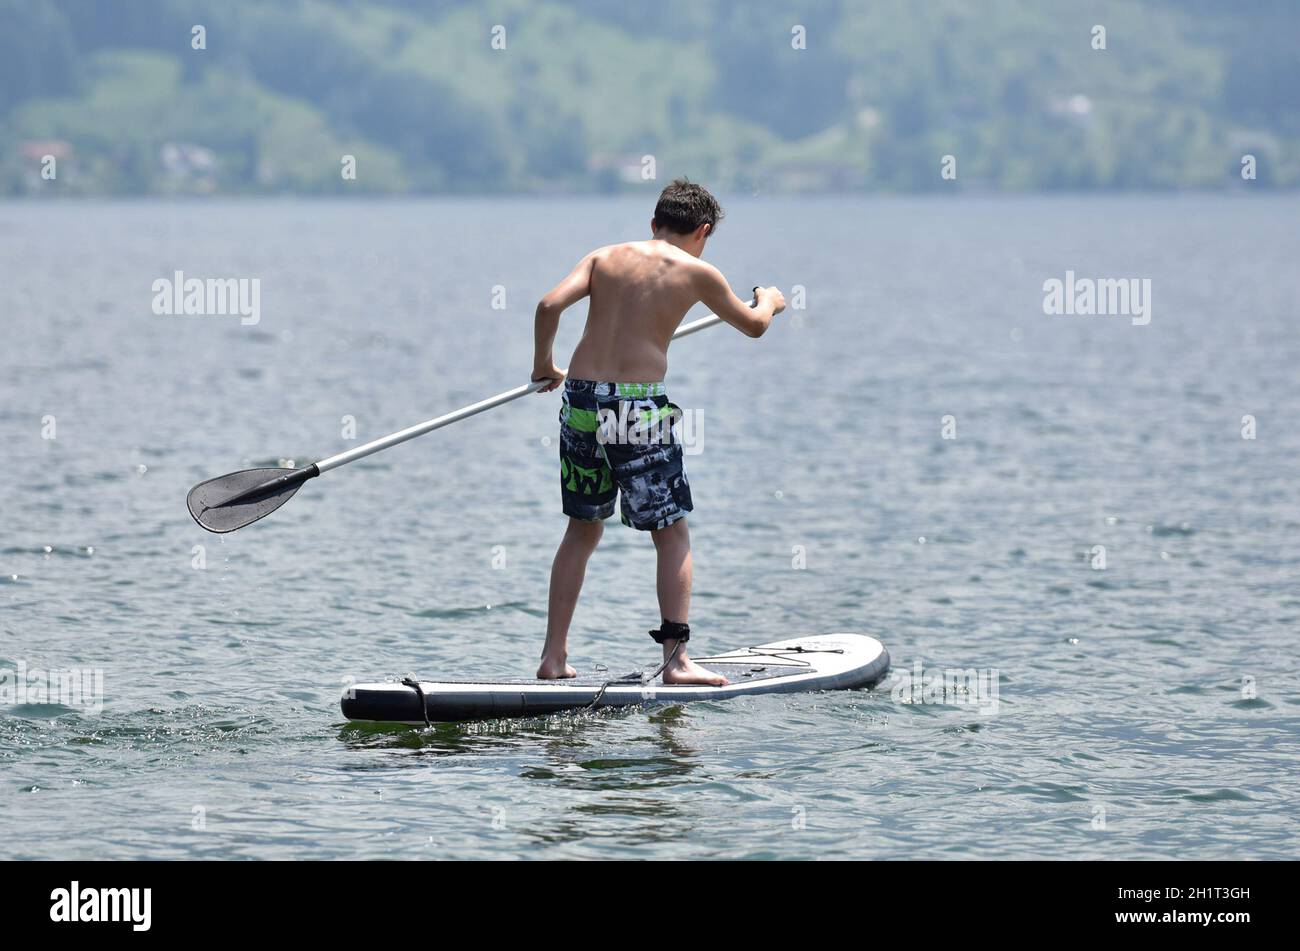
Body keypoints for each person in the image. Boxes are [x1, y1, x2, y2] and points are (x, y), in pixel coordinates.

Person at [530, 179, 785, 684]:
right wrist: (771, 300)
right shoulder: (698, 272)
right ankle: (677, 663)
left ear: (653, 223)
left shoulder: (604, 257)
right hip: (635, 410)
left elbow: (547, 306)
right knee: (671, 535)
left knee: (582, 531)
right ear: (703, 231)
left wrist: (545, 366)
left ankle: (553, 658)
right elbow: (753, 325)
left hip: (579, 398)